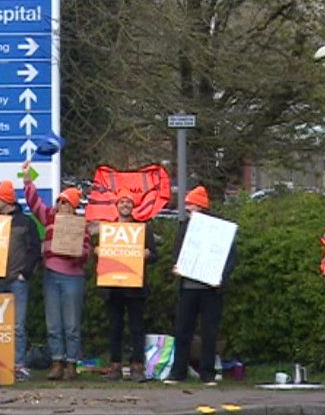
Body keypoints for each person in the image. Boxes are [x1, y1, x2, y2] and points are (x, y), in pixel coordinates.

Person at [23, 164, 91, 381]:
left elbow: (86, 253)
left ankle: (71, 363)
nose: (60, 205)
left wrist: (75, 253)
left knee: (71, 324)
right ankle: (56, 361)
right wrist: (27, 180)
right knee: (53, 323)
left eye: (65, 202)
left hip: (73, 278)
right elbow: (34, 204)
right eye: (59, 201)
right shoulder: (50, 218)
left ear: (73, 206)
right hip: (51, 276)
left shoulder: (81, 226)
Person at [164, 185, 237, 386]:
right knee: (182, 330)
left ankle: (207, 373)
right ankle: (178, 372)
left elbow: (230, 257)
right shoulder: (184, 227)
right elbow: (177, 252)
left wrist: (221, 276)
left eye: (191, 206)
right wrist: (177, 266)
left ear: (202, 207)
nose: (188, 210)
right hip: (188, 287)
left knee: (209, 332)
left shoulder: (218, 230)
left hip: (210, 289)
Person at [0, 180, 41, 381]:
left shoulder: (25, 222)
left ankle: (19, 365)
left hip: (17, 280)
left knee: (17, 326)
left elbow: (34, 250)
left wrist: (26, 273)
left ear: (7, 200)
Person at [97, 189, 157, 383]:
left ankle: (137, 366)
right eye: (122, 202)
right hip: (113, 288)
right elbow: (98, 256)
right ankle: (115, 366)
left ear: (133, 206)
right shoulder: (108, 230)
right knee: (115, 328)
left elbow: (155, 255)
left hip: (135, 288)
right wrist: (98, 250)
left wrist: (148, 254)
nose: (125, 205)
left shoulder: (143, 229)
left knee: (136, 328)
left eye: (128, 202)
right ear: (117, 205)